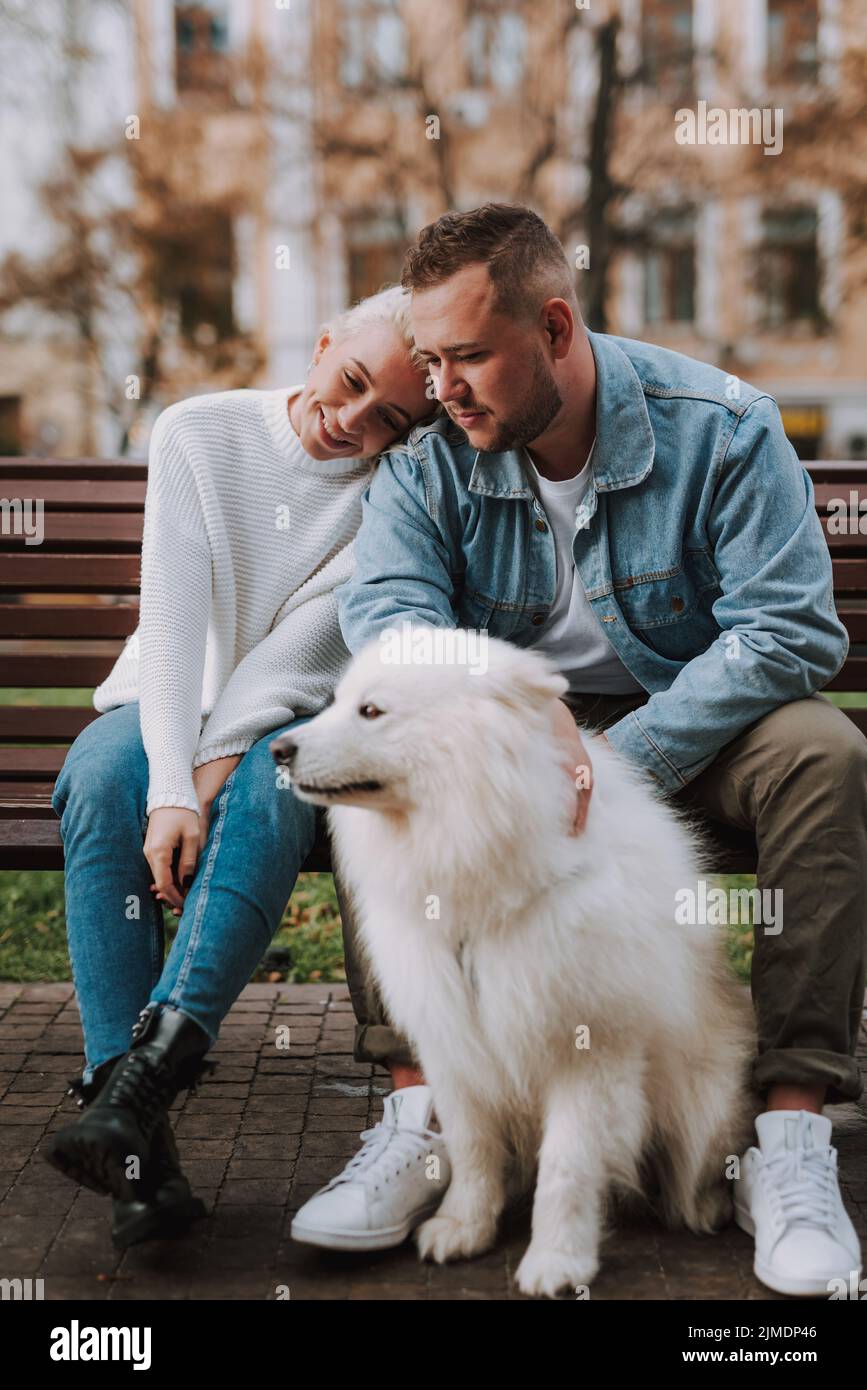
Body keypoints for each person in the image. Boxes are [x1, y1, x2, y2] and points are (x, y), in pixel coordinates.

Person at [292, 203, 866, 1300]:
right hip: (511, 731)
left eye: (468, 357)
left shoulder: (723, 425)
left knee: (823, 754)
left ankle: (790, 1133)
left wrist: (617, 753)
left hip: (694, 719)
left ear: (554, 328)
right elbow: (395, 623)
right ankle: (423, 1112)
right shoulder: (429, 464)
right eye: (428, 359)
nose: (442, 388)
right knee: (372, 762)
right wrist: (514, 717)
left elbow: (790, 630)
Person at [44, 284, 435, 1248]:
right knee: (101, 779)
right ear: (323, 342)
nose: (351, 422)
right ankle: (123, 1118)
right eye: (347, 383)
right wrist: (171, 787)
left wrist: (211, 770)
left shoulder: (395, 487)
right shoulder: (197, 431)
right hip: (158, 696)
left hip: (287, 710)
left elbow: (298, 657)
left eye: (387, 417)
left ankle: (148, 1082)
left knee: (274, 783)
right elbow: (173, 629)